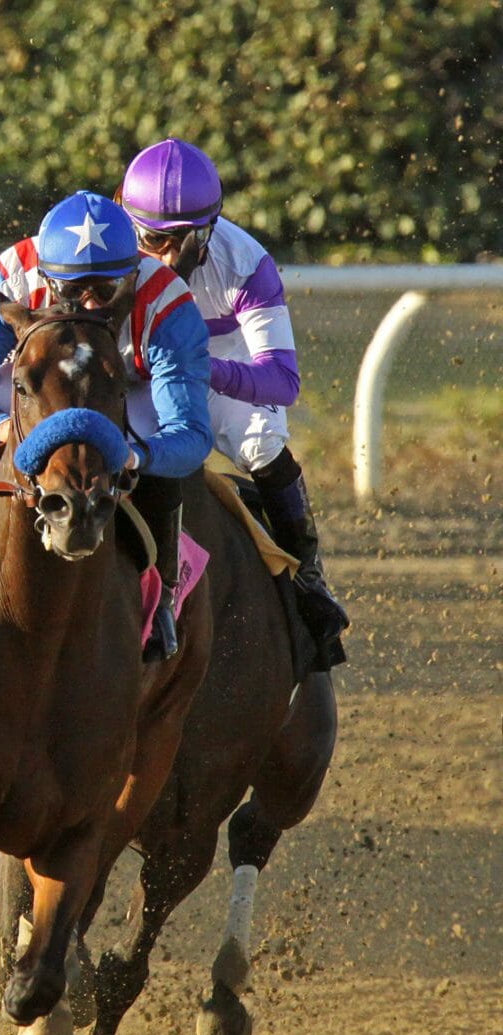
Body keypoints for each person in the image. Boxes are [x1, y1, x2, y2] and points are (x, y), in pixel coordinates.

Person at [0, 191, 213, 661]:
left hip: (124, 383)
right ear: (47, 277)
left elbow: (192, 432)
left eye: (107, 290)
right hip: (44, 376)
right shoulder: (13, 275)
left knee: (158, 453)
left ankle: (164, 587)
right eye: (75, 292)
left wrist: (138, 456)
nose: (91, 304)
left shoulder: (167, 304)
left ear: (133, 275)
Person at [121, 138, 346, 667]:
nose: (172, 259)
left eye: (188, 240)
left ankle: (309, 577)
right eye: (155, 239)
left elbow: (282, 380)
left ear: (212, 226)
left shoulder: (245, 263)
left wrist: (200, 368)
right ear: (131, 225)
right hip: (135, 351)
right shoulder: (106, 243)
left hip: (216, 356)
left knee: (262, 444)